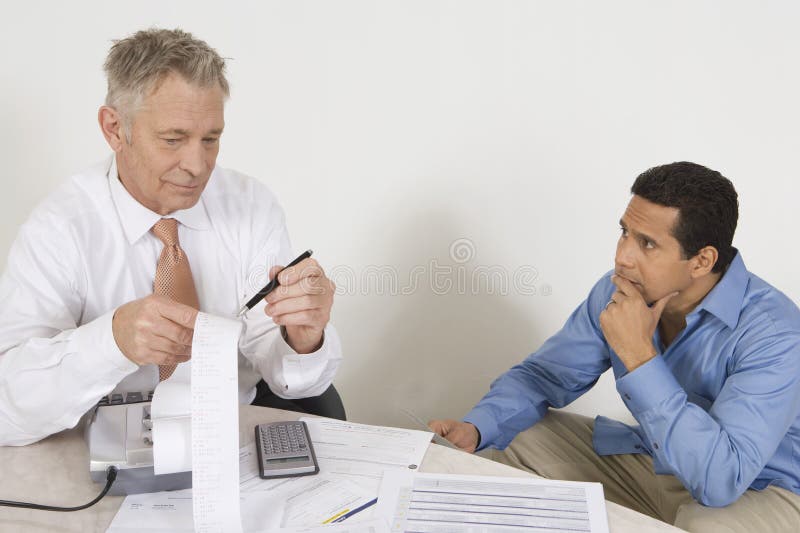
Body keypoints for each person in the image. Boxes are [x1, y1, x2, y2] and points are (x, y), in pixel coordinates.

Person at [0, 28, 342, 447]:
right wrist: (111, 341)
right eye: (173, 140)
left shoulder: (250, 205)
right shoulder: (58, 229)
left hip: (231, 437)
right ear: (114, 128)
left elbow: (294, 382)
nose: (197, 165)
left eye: (211, 140)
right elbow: (9, 410)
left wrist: (302, 338)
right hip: (110, 449)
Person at [430, 162, 800, 532]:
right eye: (625, 232)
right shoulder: (617, 291)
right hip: (654, 462)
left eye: (647, 243)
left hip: (761, 489)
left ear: (702, 261)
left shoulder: (775, 335)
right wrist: (476, 428)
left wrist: (639, 356)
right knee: (505, 439)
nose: (622, 256)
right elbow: (544, 377)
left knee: (705, 526)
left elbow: (721, 480)